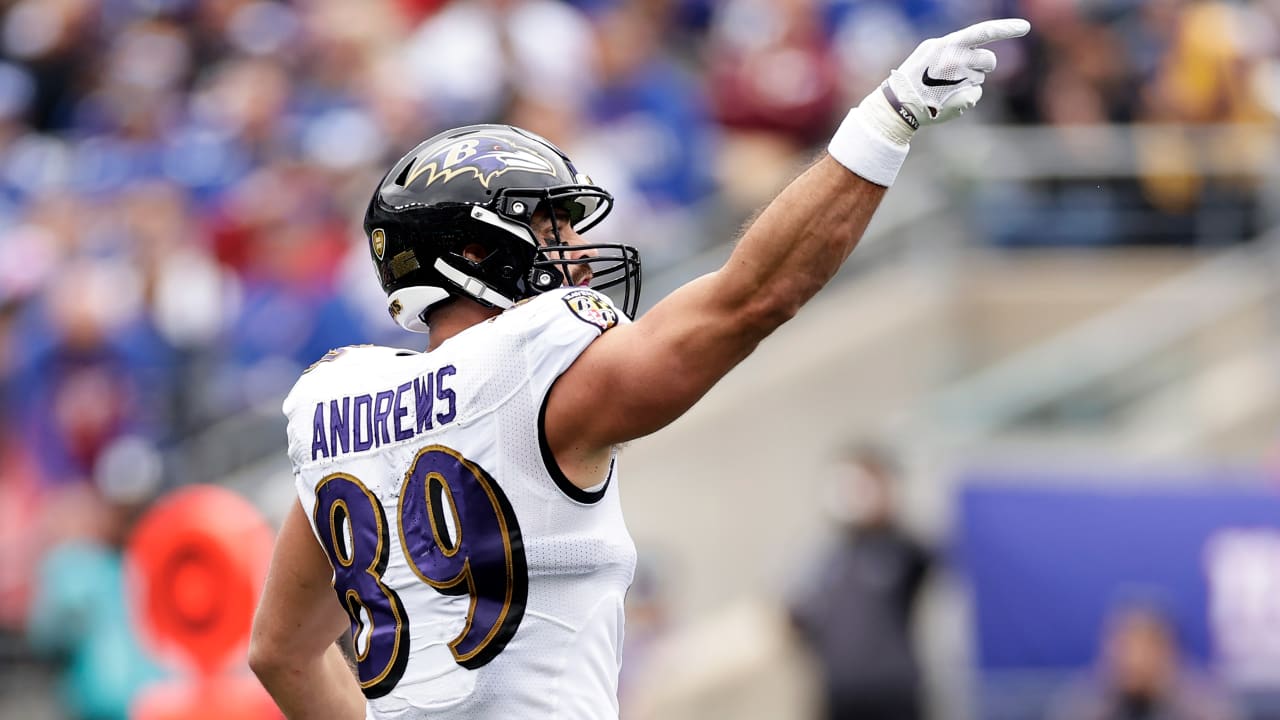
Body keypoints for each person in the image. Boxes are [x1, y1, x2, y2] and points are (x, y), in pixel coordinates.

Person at [249, 17, 1030, 720]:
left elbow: (280, 652)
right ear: (473, 250)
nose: (575, 250)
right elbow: (752, 300)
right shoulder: (529, 364)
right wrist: (882, 123)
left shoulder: (336, 402)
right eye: (549, 224)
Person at [788, 444, 933, 720]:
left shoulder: (898, 547)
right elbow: (795, 615)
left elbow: (925, 556)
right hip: (839, 695)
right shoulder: (823, 558)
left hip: (893, 694)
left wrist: (885, 507)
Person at [1046, 602, 1242, 720]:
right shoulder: (1086, 705)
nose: (1134, 659)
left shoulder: (1203, 707)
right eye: (1124, 647)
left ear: (1169, 651)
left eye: (1145, 647)